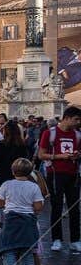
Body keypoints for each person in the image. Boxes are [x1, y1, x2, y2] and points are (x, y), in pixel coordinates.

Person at [36, 106, 81, 254]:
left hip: (73, 174)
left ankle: (75, 240)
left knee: (74, 208)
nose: (78, 122)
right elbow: (41, 155)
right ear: (67, 118)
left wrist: (76, 155)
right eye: (76, 119)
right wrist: (60, 156)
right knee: (56, 207)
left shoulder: (78, 135)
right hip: (55, 174)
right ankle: (57, 239)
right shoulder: (50, 133)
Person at [0, 157, 44, 265]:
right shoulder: (34, 186)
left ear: (13, 171)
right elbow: (38, 207)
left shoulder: (6, 184)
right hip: (28, 221)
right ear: (29, 173)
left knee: (8, 250)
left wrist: (10, 204)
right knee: (27, 252)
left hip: (11, 221)